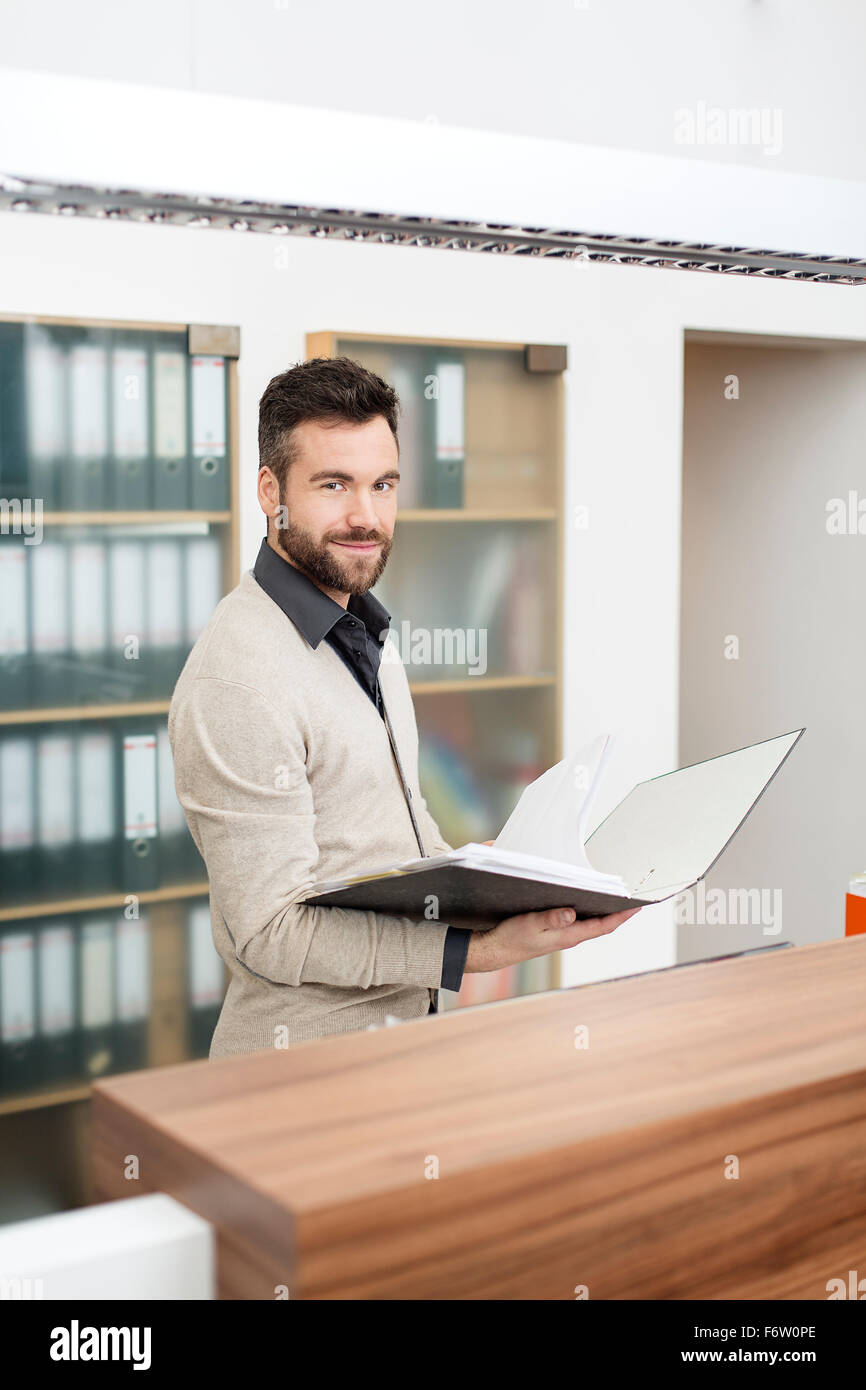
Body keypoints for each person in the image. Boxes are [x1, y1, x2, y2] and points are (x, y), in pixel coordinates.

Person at [168, 356, 640, 1057]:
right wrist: (469, 951)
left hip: (399, 1051)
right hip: (296, 1076)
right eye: (334, 485)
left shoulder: (366, 633)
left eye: (382, 484)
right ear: (272, 492)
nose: (366, 516)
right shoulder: (236, 678)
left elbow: (390, 829)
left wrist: (498, 881)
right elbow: (271, 931)